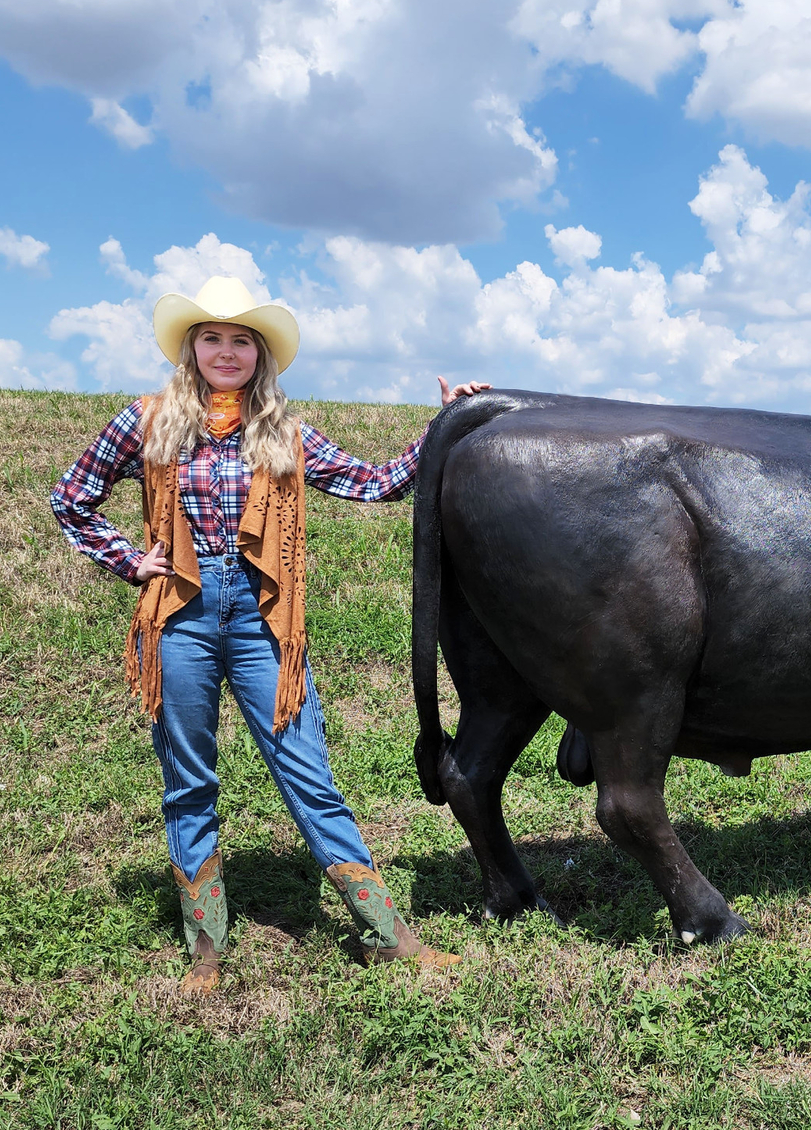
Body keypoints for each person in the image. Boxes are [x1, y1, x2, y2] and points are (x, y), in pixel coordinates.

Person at [51, 275, 489, 996]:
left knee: (309, 776)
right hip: (180, 618)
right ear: (192, 347)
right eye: (213, 337)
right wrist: (131, 559)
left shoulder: (284, 431)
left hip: (263, 621)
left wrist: (445, 423)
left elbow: (377, 481)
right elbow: (71, 498)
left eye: (241, 340)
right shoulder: (147, 419)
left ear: (260, 355)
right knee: (189, 784)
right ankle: (205, 949)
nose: (226, 351)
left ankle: (388, 935)